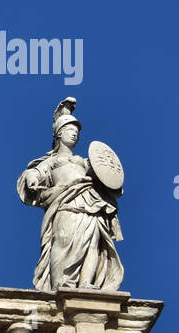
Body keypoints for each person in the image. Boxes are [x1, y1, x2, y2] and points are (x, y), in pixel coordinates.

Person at [17, 97, 122, 291]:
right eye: (70, 130)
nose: (75, 135)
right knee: (64, 240)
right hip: (66, 204)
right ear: (59, 134)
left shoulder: (83, 162)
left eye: (77, 132)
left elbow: (106, 177)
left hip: (90, 203)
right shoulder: (52, 161)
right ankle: (59, 282)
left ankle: (85, 283)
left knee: (92, 244)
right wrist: (32, 179)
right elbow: (34, 172)